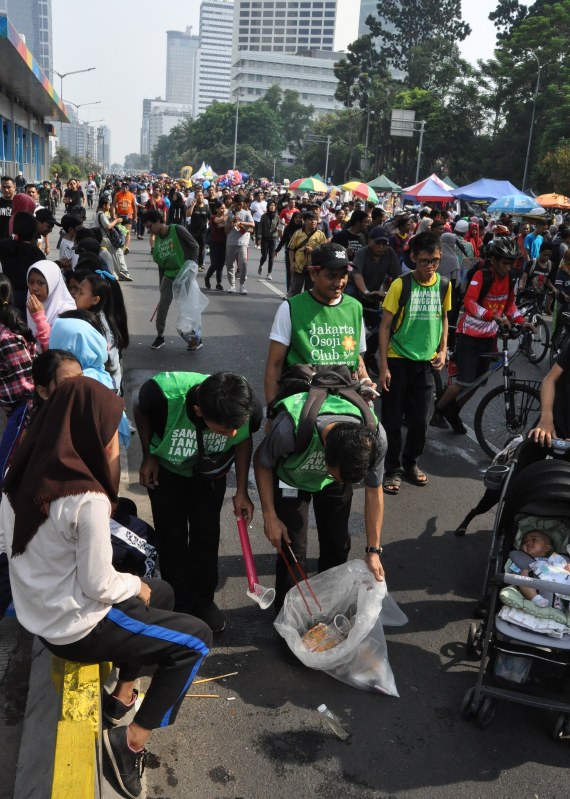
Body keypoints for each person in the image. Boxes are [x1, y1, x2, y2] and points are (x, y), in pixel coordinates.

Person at [0, 377, 212, 799]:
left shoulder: (19, 474)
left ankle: (123, 693)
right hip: (77, 627)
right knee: (196, 641)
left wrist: (140, 588)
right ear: (91, 431)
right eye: (112, 429)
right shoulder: (87, 497)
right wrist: (134, 583)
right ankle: (131, 740)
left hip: (38, 613)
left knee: (163, 592)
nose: (116, 438)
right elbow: (99, 582)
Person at [134, 371, 262, 632]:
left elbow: (243, 438)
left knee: (206, 535)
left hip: (209, 475)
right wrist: (149, 455)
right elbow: (140, 408)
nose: (233, 433)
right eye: (225, 430)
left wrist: (241, 491)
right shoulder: (163, 395)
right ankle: (179, 604)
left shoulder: (246, 406)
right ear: (198, 411)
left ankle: (204, 601)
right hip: (167, 472)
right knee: (172, 539)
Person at [254, 387, 386, 615]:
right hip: (291, 478)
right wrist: (270, 515)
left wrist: (373, 550)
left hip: (334, 480)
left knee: (337, 544)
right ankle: (289, 616)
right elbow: (263, 462)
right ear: (325, 452)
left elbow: (374, 491)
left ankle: (327, 608)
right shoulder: (289, 429)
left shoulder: (374, 440)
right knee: (292, 549)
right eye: (334, 473)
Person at [379, 231, 451, 494]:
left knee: (421, 422)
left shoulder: (444, 284)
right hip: (398, 361)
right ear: (412, 258)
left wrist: (443, 351)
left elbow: (444, 318)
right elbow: (385, 326)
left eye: (434, 261)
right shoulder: (401, 284)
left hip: (426, 364)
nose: (429, 267)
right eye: (424, 261)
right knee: (392, 421)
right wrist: (384, 366)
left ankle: (411, 464)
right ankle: (392, 469)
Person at [264, 243, 375, 408]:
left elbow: (355, 356)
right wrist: (272, 412)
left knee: (377, 432)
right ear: (313, 274)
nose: (339, 282)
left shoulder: (355, 307)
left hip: (347, 396)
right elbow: (274, 365)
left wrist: (366, 380)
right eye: (331, 275)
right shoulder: (291, 308)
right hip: (303, 399)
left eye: (344, 275)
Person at [435, 237, 527, 434]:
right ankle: (438, 409)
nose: (508, 267)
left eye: (512, 263)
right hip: (469, 336)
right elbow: (469, 303)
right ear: (493, 260)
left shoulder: (509, 279)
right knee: (463, 382)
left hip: (489, 337)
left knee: (479, 381)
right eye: (505, 263)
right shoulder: (481, 276)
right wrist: (491, 315)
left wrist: (522, 321)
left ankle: (454, 411)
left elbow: (509, 305)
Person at [142, 209, 200, 350]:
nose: (149, 230)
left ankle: (195, 338)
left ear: (157, 221)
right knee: (162, 308)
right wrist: (162, 286)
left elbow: (195, 246)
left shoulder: (177, 229)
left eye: (150, 226)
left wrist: (191, 267)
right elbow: (162, 266)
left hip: (184, 276)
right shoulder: (157, 243)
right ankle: (160, 336)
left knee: (187, 309)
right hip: (168, 277)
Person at [0, 274, 36, 482]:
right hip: (13, 408)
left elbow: (27, 381)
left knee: (6, 465)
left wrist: (28, 423)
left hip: (22, 409)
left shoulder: (7, 338)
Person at [507, 530, 570, 608]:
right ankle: (536, 599)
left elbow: (566, 568)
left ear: (547, 548)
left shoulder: (556, 559)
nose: (529, 542)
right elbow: (512, 575)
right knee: (521, 580)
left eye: (534, 539)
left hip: (562, 585)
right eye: (525, 541)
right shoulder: (521, 561)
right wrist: (523, 574)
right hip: (538, 589)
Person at [0, 212, 46, 315]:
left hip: (4, 293)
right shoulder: (36, 252)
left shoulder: (3, 245)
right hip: (27, 297)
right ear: (33, 230)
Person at [26, 261, 76, 352]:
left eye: (41, 283)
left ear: (52, 284)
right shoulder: (32, 303)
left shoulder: (67, 311)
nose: (34, 288)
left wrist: (39, 317)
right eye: (31, 282)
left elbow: (54, 349)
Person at [288, 212, 327, 296]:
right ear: (304, 221)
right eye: (310, 220)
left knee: (310, 292)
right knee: (294, 291)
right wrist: (292, 263)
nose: (313, 222)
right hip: (298, 267)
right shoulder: (298, 233)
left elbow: (324, 251)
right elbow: (291, 249)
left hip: (313, 268)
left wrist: (313, 251)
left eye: (315, 220)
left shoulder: (321, 235)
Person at [224, 195, 254, 295]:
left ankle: (242, 285)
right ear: (234, 203)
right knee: (230, 264)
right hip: (231, 242)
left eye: (241, 204)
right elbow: (225, 230)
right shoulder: (229, 213)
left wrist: (241, 222)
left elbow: (252, 224)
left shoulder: (246, 213)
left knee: (243, 264)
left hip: (243, 242)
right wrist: (231, 223)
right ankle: (232, 285)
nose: (240, 206)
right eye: (238, 204)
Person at [275, 211, 302, 294]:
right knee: (290, 273)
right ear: (293, 219)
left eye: (299, 218)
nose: (298, 219)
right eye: (296, 218)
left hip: (300, 255)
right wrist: (276, 250)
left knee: (299, 275)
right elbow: (283, 240)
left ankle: (297, 293)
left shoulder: (303, 229)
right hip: (289, 254)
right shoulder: (289, 228)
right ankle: (289, 292)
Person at [204, 201, 227, 291]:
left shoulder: (226, 217)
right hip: (214, 243)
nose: (223, 210)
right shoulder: (213, 217)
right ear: (216, 209)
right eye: (221, 208)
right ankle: (207, 277)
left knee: (221, 265)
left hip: (224, 243)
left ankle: (218, 283)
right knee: (214, 264)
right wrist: (229, 211)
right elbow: (221, 220)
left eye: (224, 208)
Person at [185, 188, 210, 271]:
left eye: (201, 195)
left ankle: (200, 264)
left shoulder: (206, 207)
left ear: (203, 197)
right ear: (195, 197)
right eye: (198, 195)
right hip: (193, 231)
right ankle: (193, 263)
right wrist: (192, 205)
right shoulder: (192, 206)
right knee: (194, 247)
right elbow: (188, 214)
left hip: (203, 231)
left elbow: (210, 219)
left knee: (202, 248)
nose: (200, 197)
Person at [112, 180, 137, 254]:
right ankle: (120, 245)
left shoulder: (131, 195)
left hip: (128, 216)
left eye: (126, 186)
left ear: (128, 188)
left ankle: (126, 247)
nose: (125, 187)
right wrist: (113, 215)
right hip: (120, 216)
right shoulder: (117, 195)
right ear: (121, 187)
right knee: (119, 232)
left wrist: (135, 217)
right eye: (123, 186)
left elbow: (134, 207)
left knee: (127, 232)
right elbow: (113, 205)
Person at [257, 200, 280, 280]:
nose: (272, 207)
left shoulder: (277, 217)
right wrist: (259, 237)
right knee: (264, 256)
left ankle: (269, 273)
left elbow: (278, 226)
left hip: (273, 238)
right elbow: (260, 227)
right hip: (265, 238)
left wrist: (277, 230)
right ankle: (261, 265)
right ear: (268, 207)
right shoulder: (264, 216)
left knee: (271, 257)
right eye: (271, 205)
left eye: (273, 205)